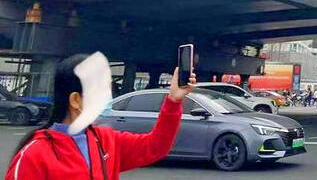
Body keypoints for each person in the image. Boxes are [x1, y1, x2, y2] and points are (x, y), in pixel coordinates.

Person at [6, 53, 195, 180]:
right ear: (76, 100)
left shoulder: (106, 140)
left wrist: (173, 100)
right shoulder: (34, 155)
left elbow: (156, 147)